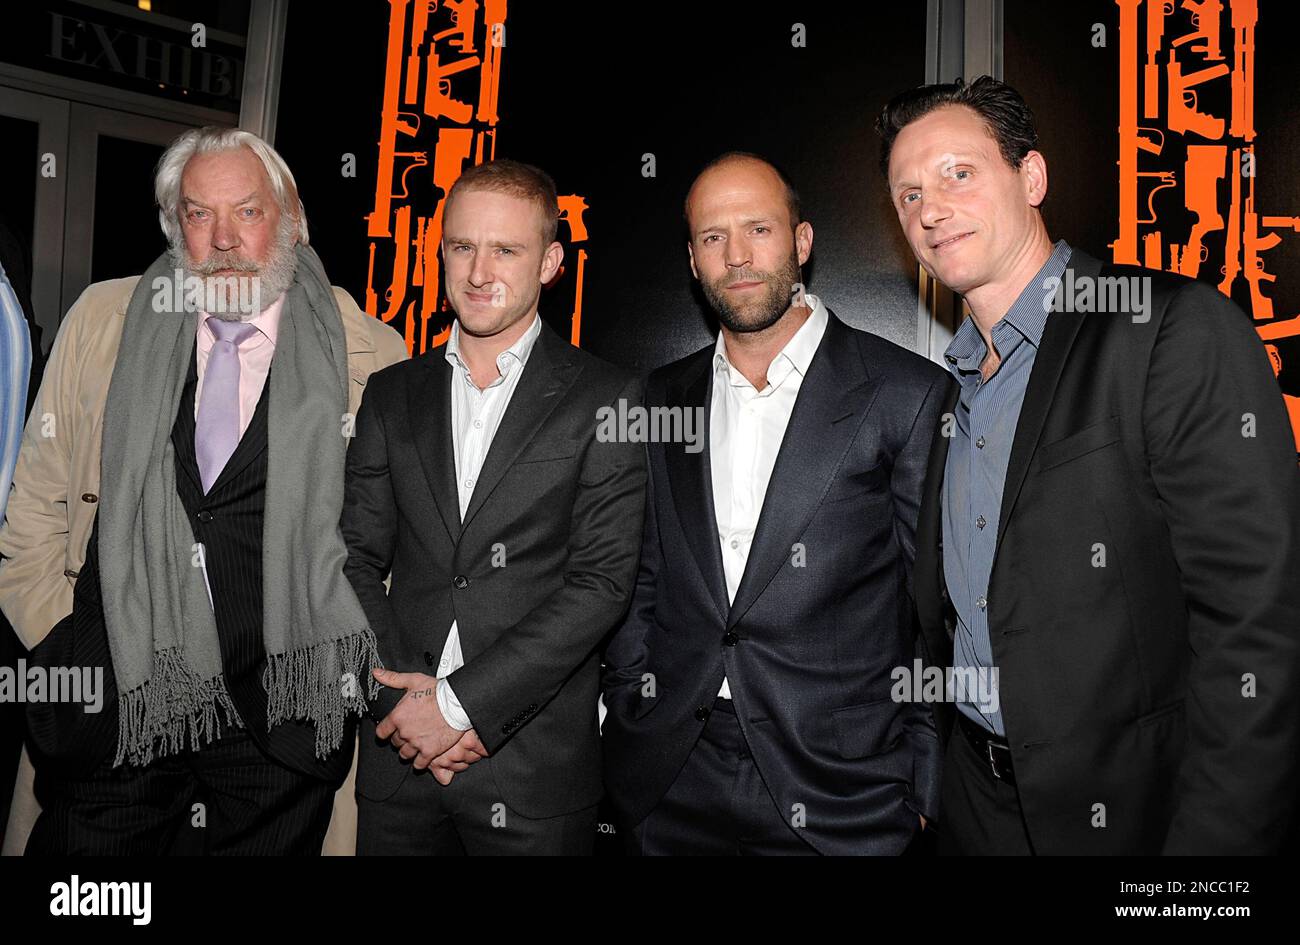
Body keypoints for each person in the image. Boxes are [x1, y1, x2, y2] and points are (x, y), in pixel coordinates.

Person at [877, 75, 1300, 854]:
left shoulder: (1166, 329)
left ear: (1031, 178)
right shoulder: (948, 395)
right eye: (907, 195)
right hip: (977, 809)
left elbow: (1258, 629)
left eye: (957, 174)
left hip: (1136, 819)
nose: (929, 209)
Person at [0, 126, 408, 854]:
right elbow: (35, 504)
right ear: (173, 227)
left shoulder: (374, 355)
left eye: (247, 213)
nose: (222, 239)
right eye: (197, 214)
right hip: (116, 697)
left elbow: (386, 551)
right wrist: (65, 643)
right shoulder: (104, 320)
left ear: (291, 221)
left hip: (276, 725)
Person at [601, 152, 949, 855]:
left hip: (843, 792)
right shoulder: (659, 398)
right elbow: (639, 577)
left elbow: (933, 611)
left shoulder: (906, 394)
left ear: (802, 241)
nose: (736, 256)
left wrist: (922, 783)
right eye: (712, 237)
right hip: (672, 779)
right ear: (693, 261)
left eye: (758, 229)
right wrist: (633, 705)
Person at [342, 158, 646, 855]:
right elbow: (350, 558)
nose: (479, 271)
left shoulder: (608, 397)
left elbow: (601, 584)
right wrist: (402, 706)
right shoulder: (392, 393)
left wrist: (456, 705)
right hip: (397, 760)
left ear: (550, 262)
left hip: (530, 769)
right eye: (461, 246)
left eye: (506, 249)